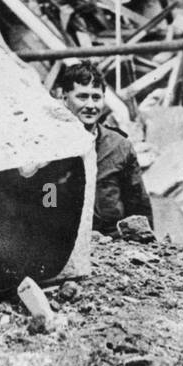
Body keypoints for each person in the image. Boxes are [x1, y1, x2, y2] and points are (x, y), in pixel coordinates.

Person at [60, 62, 153, 236]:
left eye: (96, 97)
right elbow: (43, 198)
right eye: (82, 97)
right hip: (64, 241)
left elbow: (138, 204)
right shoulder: (50, 146)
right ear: (65, 98)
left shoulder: (119, 146)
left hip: (112, 244)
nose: (90, 105)